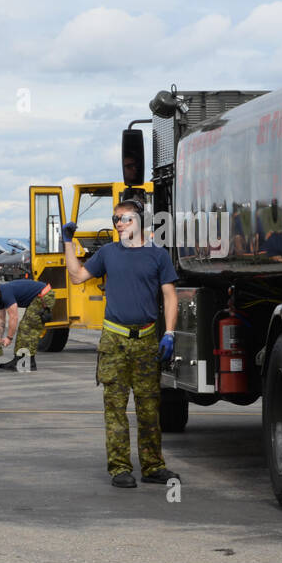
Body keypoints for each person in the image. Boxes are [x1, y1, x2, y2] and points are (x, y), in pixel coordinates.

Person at [63, 195, 181, 489]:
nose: (118, 224)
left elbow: (170, 296)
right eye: (115, 219)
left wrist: (169, 333)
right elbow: (77, 276)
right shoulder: (107, 254)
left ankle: (153, 466)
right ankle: (119, 468)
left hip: (146, 341)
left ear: (140, 221)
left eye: (124, 218)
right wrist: (67, 242)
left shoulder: (158, 255)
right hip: (114, 341)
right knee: (115, 407)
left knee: (149, 408)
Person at [0, 277, 55, 371]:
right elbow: (0, 318)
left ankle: (29, 362)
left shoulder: (5, 292)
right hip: (37, 297)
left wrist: (9, 338)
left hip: (44, 296)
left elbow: (14, 316)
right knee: (24, 327)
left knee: (28, 327)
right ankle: (19, 359)